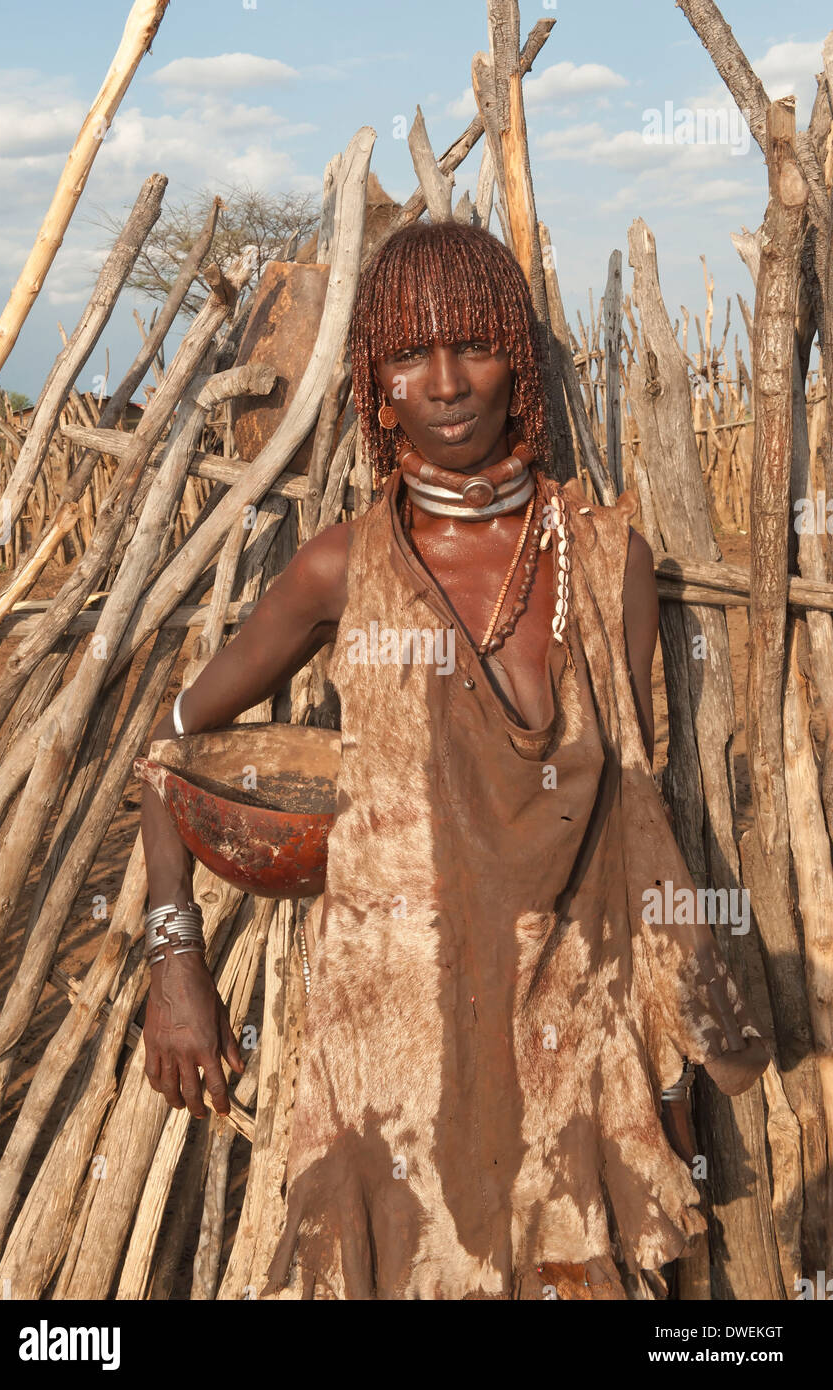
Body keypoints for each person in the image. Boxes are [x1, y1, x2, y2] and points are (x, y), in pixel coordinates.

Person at [140, 220, 769, 1300]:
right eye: (408, 355)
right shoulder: (343, 567)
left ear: (515, 363)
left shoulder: (605, 557)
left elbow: (635, 813)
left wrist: (667, 1041)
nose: (444, 383)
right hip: (393, 1051)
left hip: (573, 1029)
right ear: (374, 384)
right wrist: (174, 961)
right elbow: (170, 747)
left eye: (472, 347)